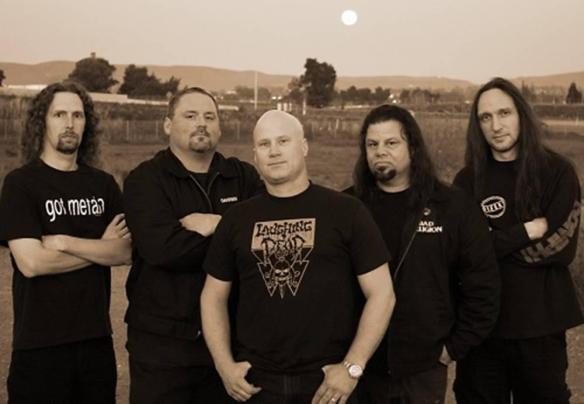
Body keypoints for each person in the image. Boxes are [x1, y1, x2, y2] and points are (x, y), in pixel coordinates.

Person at [201, 109, 395, 404]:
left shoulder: (346, 211)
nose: (274, 151)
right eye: (264, 144)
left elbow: (382, 294)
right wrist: (224, 365)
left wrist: (351, 367)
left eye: (283, 141)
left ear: (303, 147)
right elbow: (212, 296)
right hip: (256, 383)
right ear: (255, 156)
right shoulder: (237, 219)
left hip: (327, 383)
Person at [345, 104, 500, 404]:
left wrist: (452, 349)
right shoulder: (348, 207)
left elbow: (483, 285)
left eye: (391, 142)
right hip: (360, 367)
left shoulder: (452, 207)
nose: (380, 151)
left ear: (413, 148)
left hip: (424, 368)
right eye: (372, 144)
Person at [123, 86, 263, 403]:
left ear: (219, 127)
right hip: (163, 348)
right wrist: (236, 238)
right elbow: (163, 249)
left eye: (209, 117)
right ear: (168, 124)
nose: (202, 123)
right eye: (190, 116)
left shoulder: (243, 176)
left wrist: (216, 224)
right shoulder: (145, 180)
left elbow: (263, 238)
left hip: (231, 343)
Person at [453, 77, 583, 404]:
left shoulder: (557, 172)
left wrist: (490, 242)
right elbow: (461, 252)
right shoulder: (467, 181)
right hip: (481, 330)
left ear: (521, 114)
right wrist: (525, 232)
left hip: (540, 328)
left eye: (504, 113)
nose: (496, 126)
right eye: (485, 117)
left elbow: (559, 248)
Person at [0, 81, 131, 403]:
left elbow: (125, 251)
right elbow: (32, 263)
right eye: (59, 114)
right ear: (41, 122)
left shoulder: (104, 185)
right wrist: (99, 247)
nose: (70, 123)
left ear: (87, 124)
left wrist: (64, 242)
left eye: (78, 115)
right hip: (38, 346)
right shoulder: (20, 184)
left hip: (96, 342)